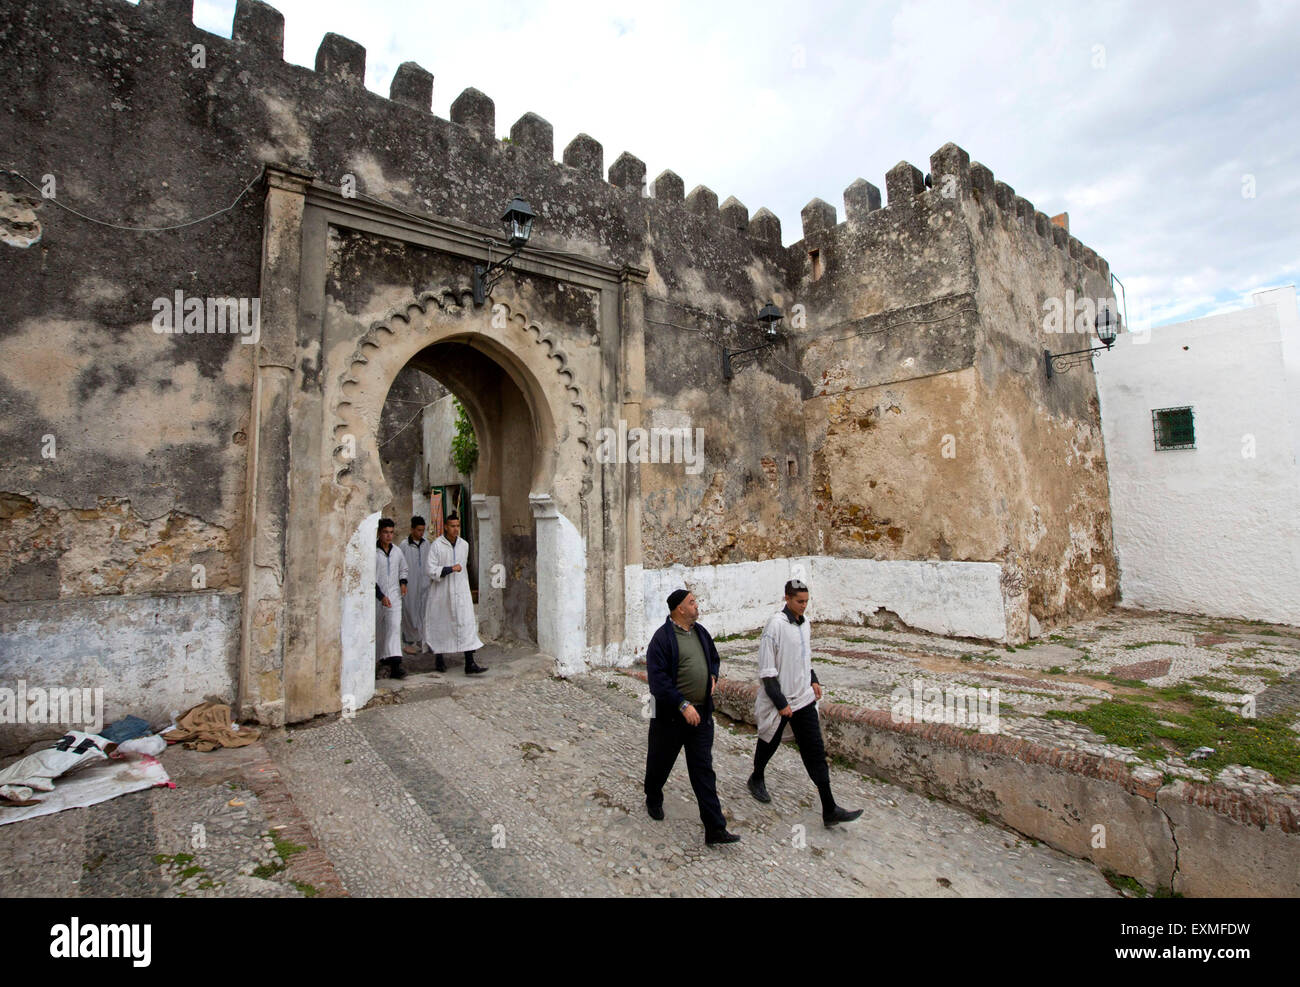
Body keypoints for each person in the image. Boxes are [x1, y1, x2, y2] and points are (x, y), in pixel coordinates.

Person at [748, 578, 863, 828]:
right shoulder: (774, 627)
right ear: (787, 599)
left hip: (803, 698)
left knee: (815, 750)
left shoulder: (805, 624)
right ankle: (757, 776)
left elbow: (804, 656)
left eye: (806, 602)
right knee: (770, 740)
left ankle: (829, 807)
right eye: (799, 602)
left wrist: (813, 679)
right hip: (781, 699)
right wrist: (780, 704)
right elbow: (767, 671)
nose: (803, 606)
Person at [643, 588, 740, 846]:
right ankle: (653, 795)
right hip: (671, 718)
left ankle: (715, 828)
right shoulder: (662, 639)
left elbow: (714, 659)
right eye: (692, 602)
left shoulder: (701, 633)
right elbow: (658, 682)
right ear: (679, 609)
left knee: (703, 771)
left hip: (702, 716)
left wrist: (713, 676)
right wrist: (682, 704)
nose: (697, 606)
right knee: (660, 762)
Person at [424, 513, 487, 675]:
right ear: (446, 526)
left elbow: (463, 569)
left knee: (466, 625)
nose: (456, 529)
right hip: (442, 593)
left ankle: (470, 663)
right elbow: (430, 570)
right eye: (452, 526)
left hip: (461, 591)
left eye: (458, 526)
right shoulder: (437, 546)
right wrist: (450, 569)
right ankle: (439, 658)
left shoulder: (464, 545)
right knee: (441, 625)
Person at [375, 518, 409, 679]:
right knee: (379, 630)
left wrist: (403, 583)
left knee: (394, 627)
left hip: (394, 596)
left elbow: (403, 568)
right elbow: (370, 577)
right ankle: (379, 660)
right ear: (379, 533)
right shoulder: (373, 552)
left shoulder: (397, 551)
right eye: (385, 533)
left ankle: (396, 664)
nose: (389, 536)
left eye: (391, 533)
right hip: (376, 598)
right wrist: (380, 596)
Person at [399, 516, 432, 656]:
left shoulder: (427, 544)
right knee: (409, 611)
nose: (421, 533)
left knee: (424, 612)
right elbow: (400, 565)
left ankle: (423, 640)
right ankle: (408, 642)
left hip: (424, 583)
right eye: (418, 530)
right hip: (410, 583)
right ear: (412, 529)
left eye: (423, 530)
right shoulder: (404, 545)